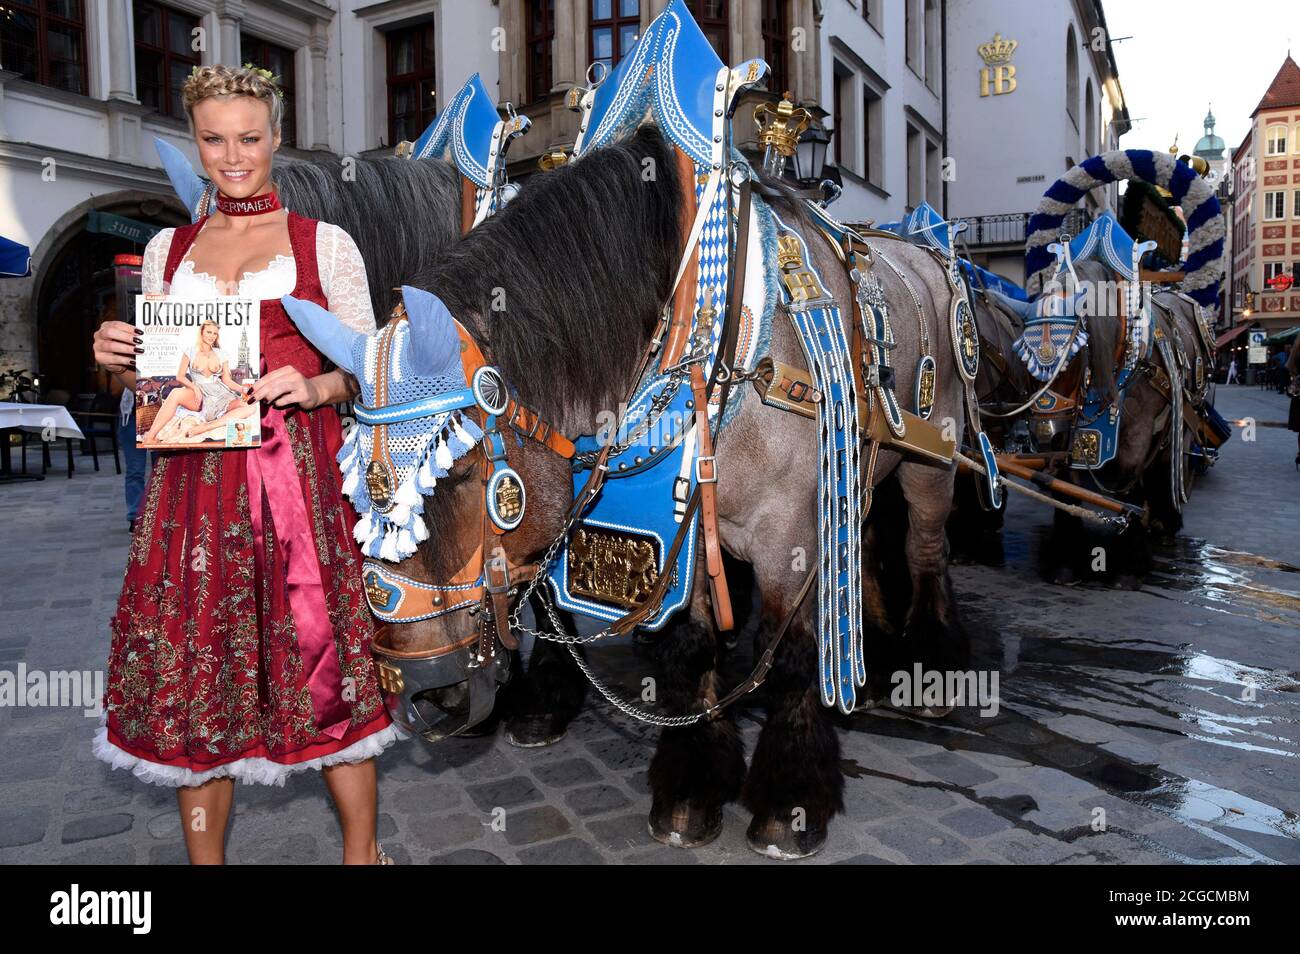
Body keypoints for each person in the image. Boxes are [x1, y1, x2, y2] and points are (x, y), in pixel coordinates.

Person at [90, 64, 404, 865]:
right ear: (196, 143)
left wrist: (317, 383)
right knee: (199, 679)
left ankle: (362, 857)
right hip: (189, 502)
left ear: (276, 138)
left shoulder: (325, 244)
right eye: (214, 139)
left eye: (250, 138)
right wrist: (116, 362)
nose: (233, 157)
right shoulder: (167, 250)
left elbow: (373, 369)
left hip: (297, 489)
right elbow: (150, 391)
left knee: (325, 669)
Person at [139, 320, 244, 445]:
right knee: (176, 393)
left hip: (219, 394)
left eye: (215, 333)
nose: (212, 336)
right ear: (201, 332)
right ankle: (150, 437)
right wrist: (195, 388)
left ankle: (207, 426)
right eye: (209, 332)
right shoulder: (190, 351)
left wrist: (243, 389)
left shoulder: (222, 354)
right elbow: (180, 377)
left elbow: (227, 380)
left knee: (247, 406)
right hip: (198, 392)